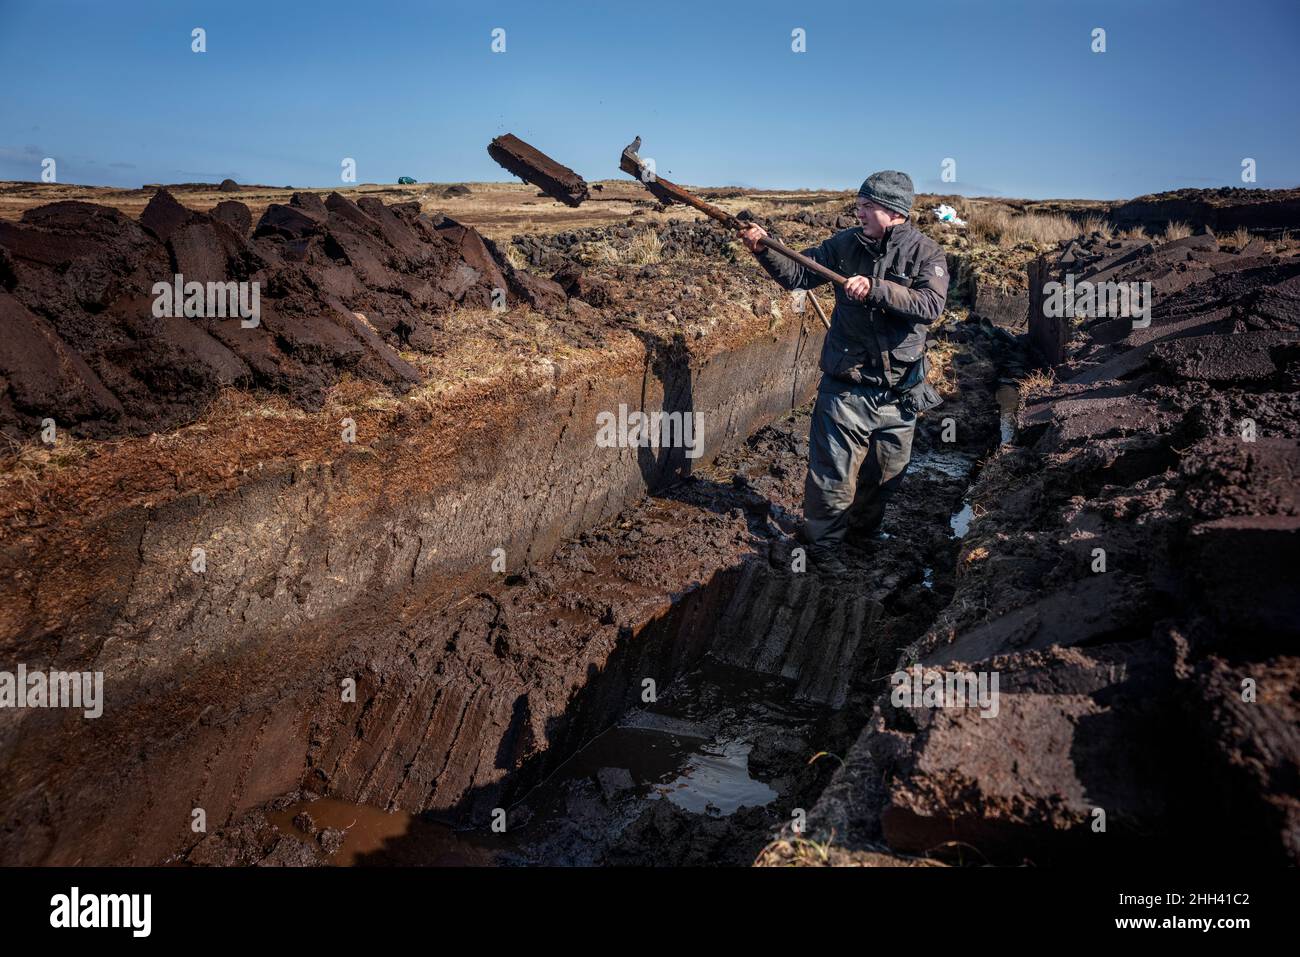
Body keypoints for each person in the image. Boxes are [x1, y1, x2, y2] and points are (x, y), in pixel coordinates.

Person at [739, 170, 949, 576]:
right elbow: (799, 275)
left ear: (894, 211)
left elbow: (929, 305)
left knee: (885, 474)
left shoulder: (927, 253)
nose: (860, 212)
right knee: (833, 475)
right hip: (847, 386)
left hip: (900, 390)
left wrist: (875, 288)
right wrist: (763, 247)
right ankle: (822, 548)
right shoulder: (844, 245)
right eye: (859, 204)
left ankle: (863, 534)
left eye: (868, 206)